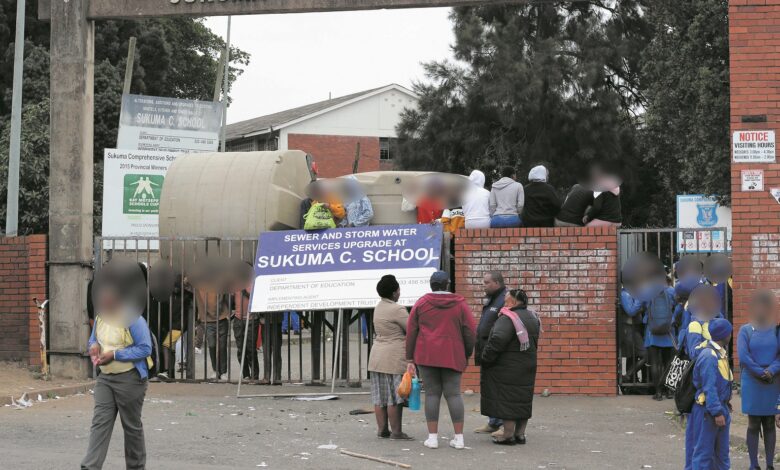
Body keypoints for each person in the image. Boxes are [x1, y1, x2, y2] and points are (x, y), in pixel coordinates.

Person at [82, 288, 152, 470]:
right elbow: (93, 339)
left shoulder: (133, 319)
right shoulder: (101, 317)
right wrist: (94, 346)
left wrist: (114, 354)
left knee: (131, 427)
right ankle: (90, 467)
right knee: (99, 424)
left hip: (130, 379)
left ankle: (136, 467)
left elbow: (145, 348)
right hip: (105, 379)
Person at [406, 271, 476, 450]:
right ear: (448, 284)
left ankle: (433, 438)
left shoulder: (421, 303)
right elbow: (470, 331)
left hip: (427, 355)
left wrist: (409, 357)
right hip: (453, 354)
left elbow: (411, 331)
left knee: (431, 394)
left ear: (431, 284)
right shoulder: (460, 304)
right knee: (453, 394)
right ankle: (459, 439)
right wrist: (466, 353)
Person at [480, 288, 541, 445]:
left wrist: (486, 358)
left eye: (506, 301)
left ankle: (507, 435)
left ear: (513, 302)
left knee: (507, 400)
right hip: (527, 365)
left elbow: (498, 340)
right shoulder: (532, 316)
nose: (504, 304)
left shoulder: (508, 318)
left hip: (507, 367)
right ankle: (520, 434)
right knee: (522, 400)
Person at [682, 284, 725, 470]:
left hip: (716, 382)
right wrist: (712, 346)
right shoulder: (695, 323)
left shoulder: (717, 318)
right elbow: (694, 352)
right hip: (701, 385)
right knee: (697, 444)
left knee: (713, 449)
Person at [367, 275, 414, 441]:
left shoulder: (378, 307)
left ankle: (382, 430)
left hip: (376, 357)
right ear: (394, 293)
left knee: (380, 397)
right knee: (394, 397)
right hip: (393, 357)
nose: (400, 292)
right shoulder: (397, 309)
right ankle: (397, 432)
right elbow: (411, 329)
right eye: (398, 289)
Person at [738, 290, 780, 470]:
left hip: (772, 380)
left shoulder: (776, 330)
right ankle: (754, 465)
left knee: (770, 422)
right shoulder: (745, 330)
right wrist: (760, 372)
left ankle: (770, 464)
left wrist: (771, 370)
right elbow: (743, 356)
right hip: (752, 380)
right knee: (753, 422)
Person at [689, 318, 733, 470]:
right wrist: (717, 412)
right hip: (709, 412)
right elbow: (710, 387)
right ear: (724, 335)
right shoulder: (709, 356)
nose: (731, 335)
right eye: (729, 332)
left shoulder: (719, 353)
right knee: (704, 454)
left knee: (722, 454)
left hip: (720, 408)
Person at [624, 283, 676, 400]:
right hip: (668, 330)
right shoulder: (671, 290)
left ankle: (658, 393)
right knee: (668, 362)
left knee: (655, 363)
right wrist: (673, 318)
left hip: (652, 331)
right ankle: (669, 391)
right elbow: (679, 306)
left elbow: (632, 310)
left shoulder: (645, 291)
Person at [474, 271, 507, 434]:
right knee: (489, 388)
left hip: (497, 353)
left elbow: (504, 327)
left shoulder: (505, 299)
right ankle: (493, 422)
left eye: (487, 282)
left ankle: (502, 423)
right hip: (487, 350)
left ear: (497, 283)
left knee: (498, 388)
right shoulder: (493, 299)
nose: (484, 285)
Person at [195, 284, 231, 380]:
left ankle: (223, 372)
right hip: (208, 320)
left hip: (222, 318)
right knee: (212, 345)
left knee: (222, 346)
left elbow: (228, 295)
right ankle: (216, 370)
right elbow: (185, 284)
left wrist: (229, 312)